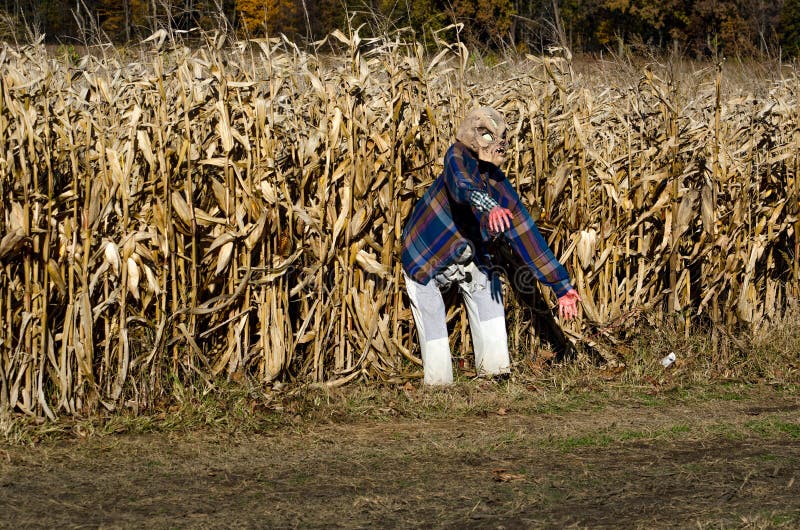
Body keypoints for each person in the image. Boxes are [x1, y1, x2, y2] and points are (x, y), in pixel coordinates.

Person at [401, 106, 581, 385]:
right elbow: (463, 187)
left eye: (503, 138)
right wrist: (489, 207)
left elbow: (526, 235)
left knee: (489, 298)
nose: (501, 145)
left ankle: (494, 378)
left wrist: (561, 286)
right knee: (433, 321)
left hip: (466, 253)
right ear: (474, 137)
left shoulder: (497, 182)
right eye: (490, 137)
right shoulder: (456, 158)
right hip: (426, 254)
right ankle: (438, 389)